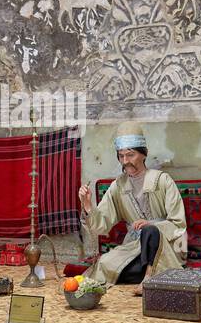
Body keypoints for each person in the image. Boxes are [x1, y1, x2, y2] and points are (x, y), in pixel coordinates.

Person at [78, 122, 186, 293]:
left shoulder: (163, 180)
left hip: (166, 246)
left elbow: (178, 224)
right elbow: (102, 224)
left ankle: (149, 278)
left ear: (143, 154)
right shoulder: (118, 186)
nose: (125, 161)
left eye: (130, 155)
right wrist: (88, 205)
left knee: (150, 231)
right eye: (121, 156)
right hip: (134, 248)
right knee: (104, 264)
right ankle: (150, 273)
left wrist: (151, 225)